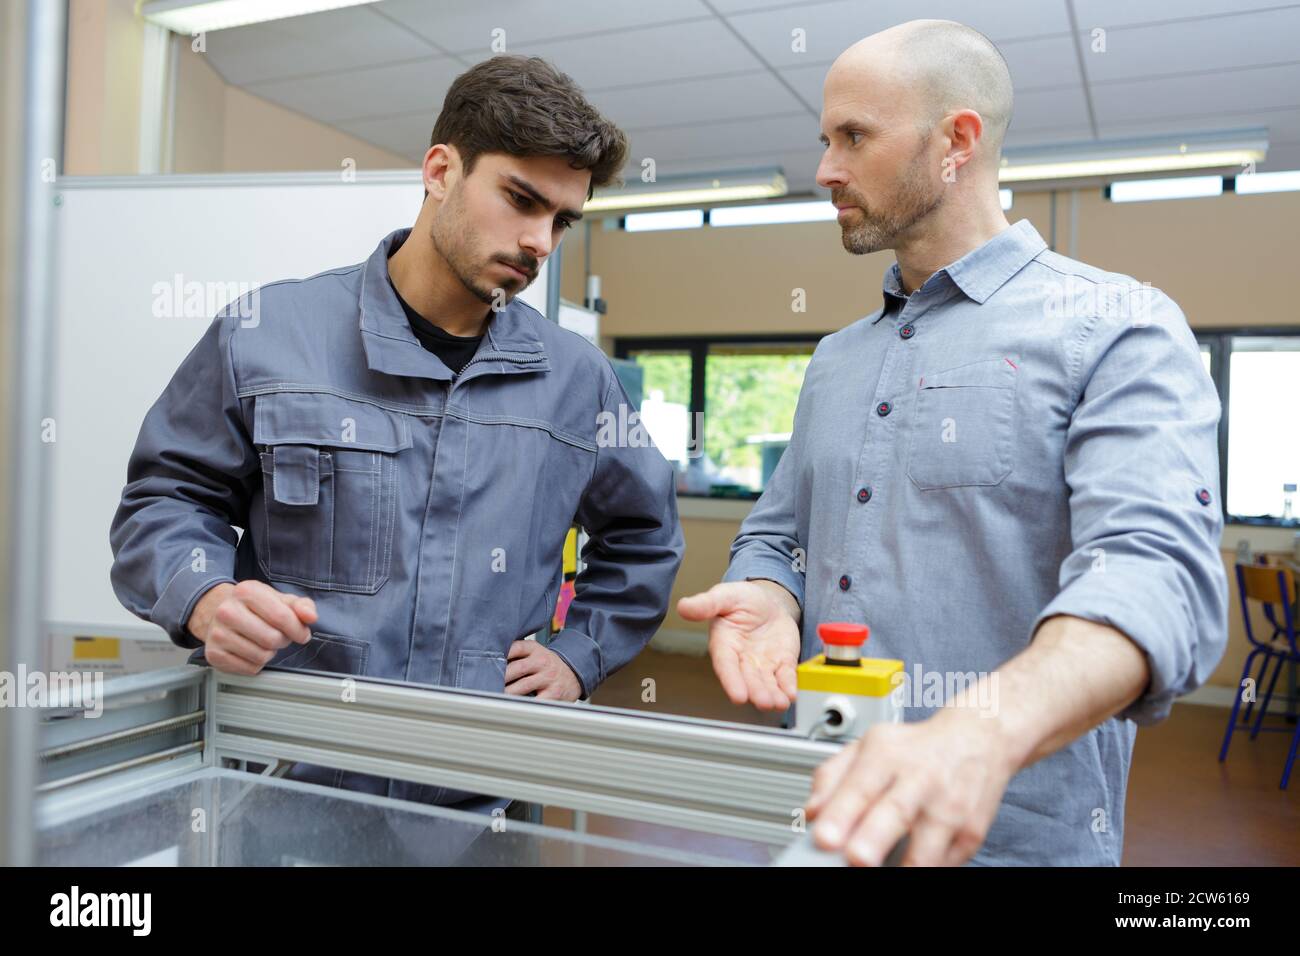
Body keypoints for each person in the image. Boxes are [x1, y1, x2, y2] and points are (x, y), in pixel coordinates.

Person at [679, 20, 1227, 866]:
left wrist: (978, 730)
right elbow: (778, 531)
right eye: (825, 140)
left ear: (957, 141)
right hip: (824, 815)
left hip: (1010, 839)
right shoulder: (836, 359)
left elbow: (1156, 578)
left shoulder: (1119, 326)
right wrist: (768, 591)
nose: (825, 169)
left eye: (854, 137)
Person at [111, 55, 684, 815]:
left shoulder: (577, 380)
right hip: (280, 786)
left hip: (480, 802)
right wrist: (206, 596)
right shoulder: (268, 335)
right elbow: (164, 497)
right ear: (441, 170)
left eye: (561, 220)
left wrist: (579, 655)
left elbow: (645, 537)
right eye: (521, 200)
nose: (541, 242)